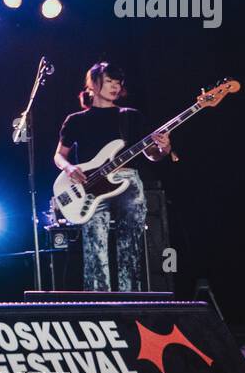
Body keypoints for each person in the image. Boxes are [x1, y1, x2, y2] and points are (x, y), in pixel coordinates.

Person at [53, 62, 171, 291]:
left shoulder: (131, 117)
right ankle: (99, 303)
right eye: (109, 81)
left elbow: (152, 155)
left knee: (131, 245)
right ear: (93, 84)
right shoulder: (76, 120)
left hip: (127, 182)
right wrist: (69, 169)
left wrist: (164, 148)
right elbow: (59, 155)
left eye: (118, 82)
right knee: (95, 246)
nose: (115, 87)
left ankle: (130, 300)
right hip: (88, 186)